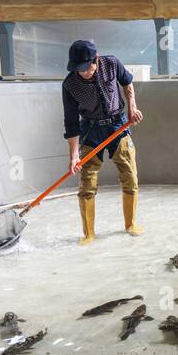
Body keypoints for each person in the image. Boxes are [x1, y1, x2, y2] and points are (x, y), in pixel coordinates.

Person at [62, 39, 144, 242]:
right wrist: (73, 157)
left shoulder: (112, 63)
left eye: (86, 68)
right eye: (78, 69)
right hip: (91, 130)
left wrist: (132, 108)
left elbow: (127, 82)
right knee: (87, 182)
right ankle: (89, 234)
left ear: (96, 59)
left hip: (118, 125)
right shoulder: (69, 85)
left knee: (130, 175)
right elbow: (71, 123)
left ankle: (131, 224)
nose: (83, 73)